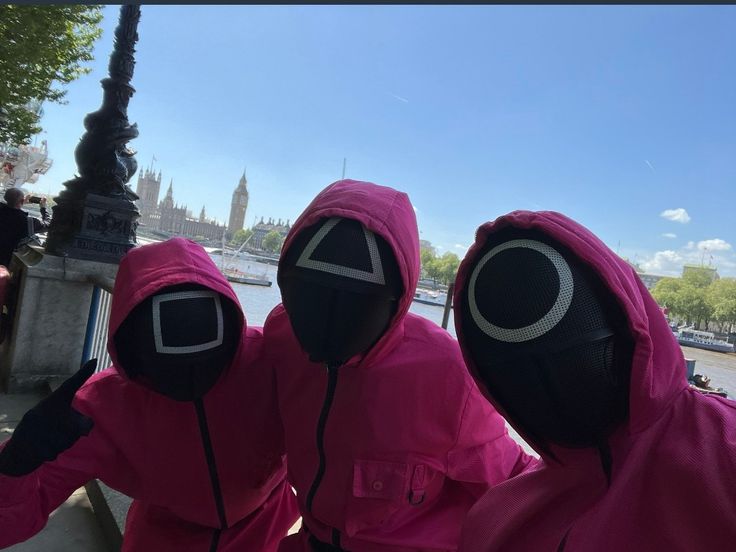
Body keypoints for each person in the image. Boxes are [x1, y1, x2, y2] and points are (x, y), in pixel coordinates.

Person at [266, 179, 536, 552]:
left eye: (356, 303)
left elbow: (512, 480)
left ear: (398, 300)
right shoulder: (280, 339)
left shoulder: (446, 376)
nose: (328, 317)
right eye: (310, 294)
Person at [453, 210, 736, 551]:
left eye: (569, 351)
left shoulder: (497, 520)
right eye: (521, 371)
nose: (549, 380)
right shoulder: (495, 519)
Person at [0, 237, 299, 551]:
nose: (193, 380)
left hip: (266, 533)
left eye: (207, 363)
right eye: (173, 369)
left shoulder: (274, 362)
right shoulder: (98, 412)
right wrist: (14, 465)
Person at [0, 187, 51, 268]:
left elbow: (8, 207)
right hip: (5, 262)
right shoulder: (28, 222)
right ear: (22, 201)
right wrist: (43, 208)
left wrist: (20, 202)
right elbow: (48, 225)